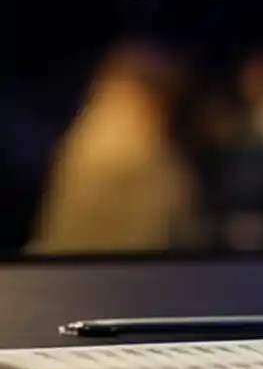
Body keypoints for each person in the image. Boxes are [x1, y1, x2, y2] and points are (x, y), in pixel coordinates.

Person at [30, 42, 199, 253]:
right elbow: (158, 237)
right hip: (123, 278)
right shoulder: (144, 151)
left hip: (65, 274)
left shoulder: (84, 135)